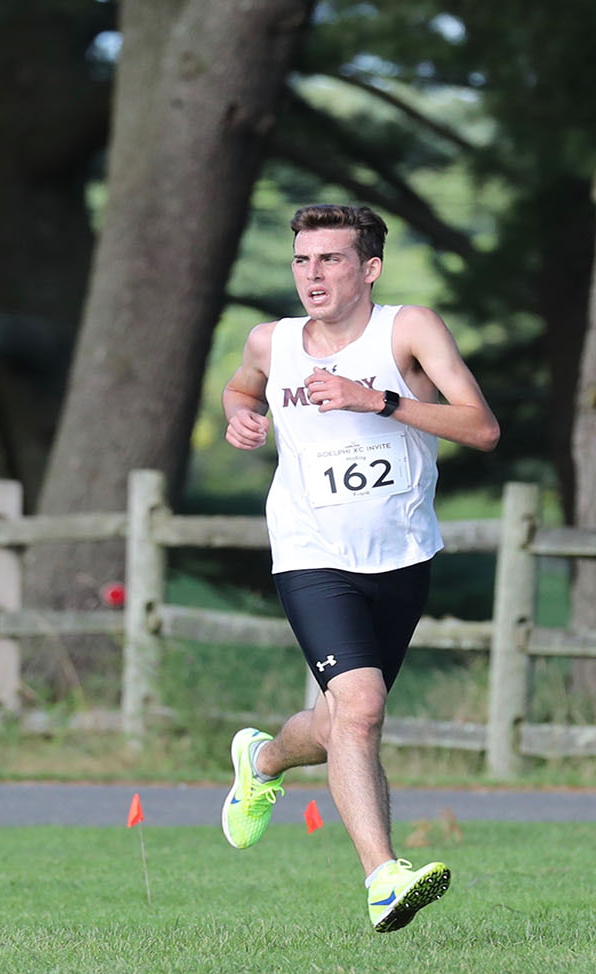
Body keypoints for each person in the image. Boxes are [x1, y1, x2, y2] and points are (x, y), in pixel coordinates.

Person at [217, 204, 500, 934]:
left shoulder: (408, 329)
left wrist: (378, 401)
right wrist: (240, 415)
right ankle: (383, 878)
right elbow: (244, 385)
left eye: (332, 259)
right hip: (312, 554)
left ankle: (265, 759)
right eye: (303, 261)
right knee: (364, 707)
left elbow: (481, 426)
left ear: (368, 269)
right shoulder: (270, 340)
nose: (313, 275)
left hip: (401, 554)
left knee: (338, 719)